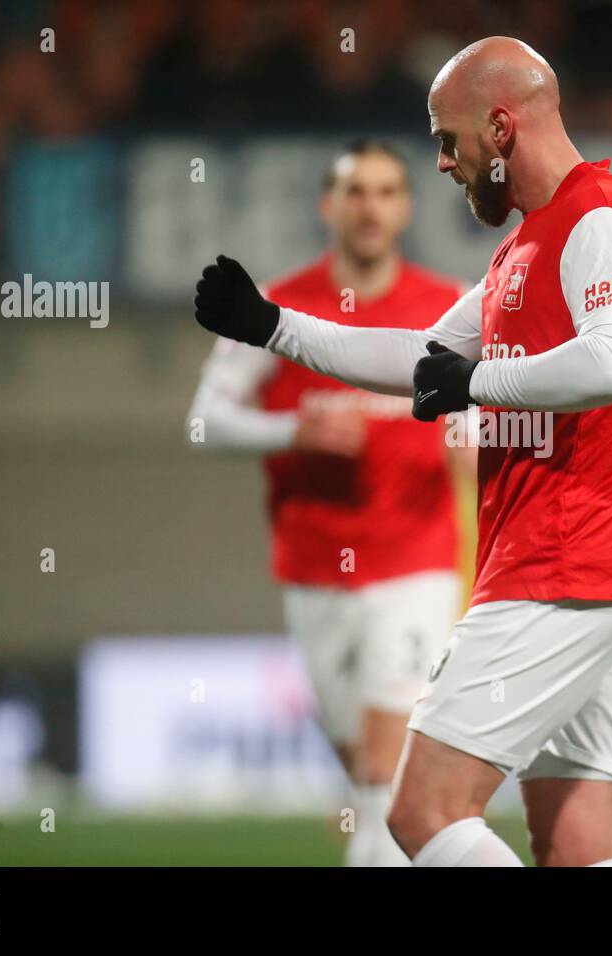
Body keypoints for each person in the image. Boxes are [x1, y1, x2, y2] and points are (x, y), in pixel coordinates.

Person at [193, 37, 612, 867]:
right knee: (574, 841)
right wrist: (272, 326)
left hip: (561, 566)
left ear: (500, 127)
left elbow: (610, 363)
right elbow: (420, 362)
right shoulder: (524, 247)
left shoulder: (602, 220)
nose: (445, 163)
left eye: (449, 140)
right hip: (606, 574)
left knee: (419, 810)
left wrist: (479, 380)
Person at [187, 139, 471, 866]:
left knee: (385, 768)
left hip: (414, 566)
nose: (370, 207)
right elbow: (203, 421)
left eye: (384, 192)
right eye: (355, 191)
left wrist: (477, 439)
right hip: (314, 572)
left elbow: (492, 410)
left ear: (405, 208)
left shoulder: (448, 307)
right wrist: (295, 429)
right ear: (328, 205)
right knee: (370, 779)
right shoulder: (275, 309)